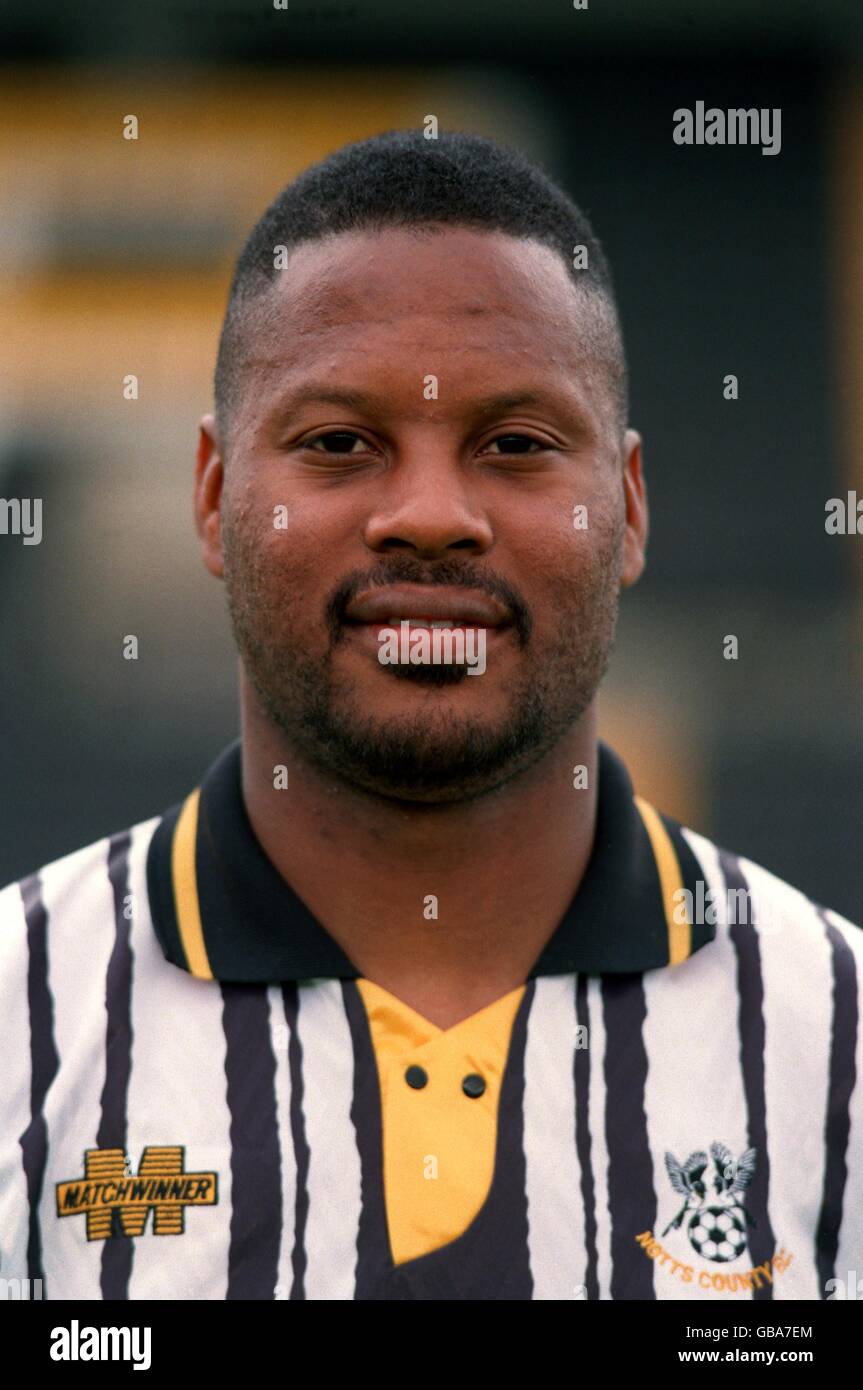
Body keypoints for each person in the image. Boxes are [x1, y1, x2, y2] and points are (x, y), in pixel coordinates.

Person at [1, 129, 859, 1302]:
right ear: (213, 499)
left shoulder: (840, 1048)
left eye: (514, 445)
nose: (428, 514)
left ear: (627, 504)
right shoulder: (18, 1017)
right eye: (339, 443)